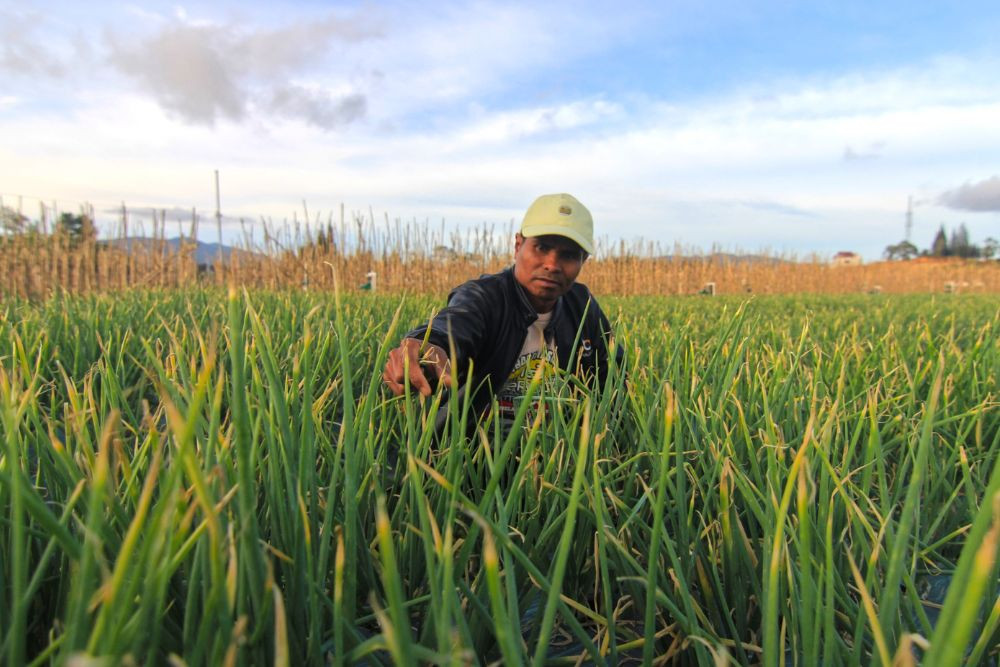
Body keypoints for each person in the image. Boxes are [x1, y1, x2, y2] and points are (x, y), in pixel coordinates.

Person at [382, 193, 619, 428]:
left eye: (568, 255)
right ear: (518, 246)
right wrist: (427, 344)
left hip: (555, 456)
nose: (552, 264)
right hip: (472, 452)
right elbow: (456, 323)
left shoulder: (582, 305)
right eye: (541, 247)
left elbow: (614, 379)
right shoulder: (484, 297)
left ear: (583, 261)